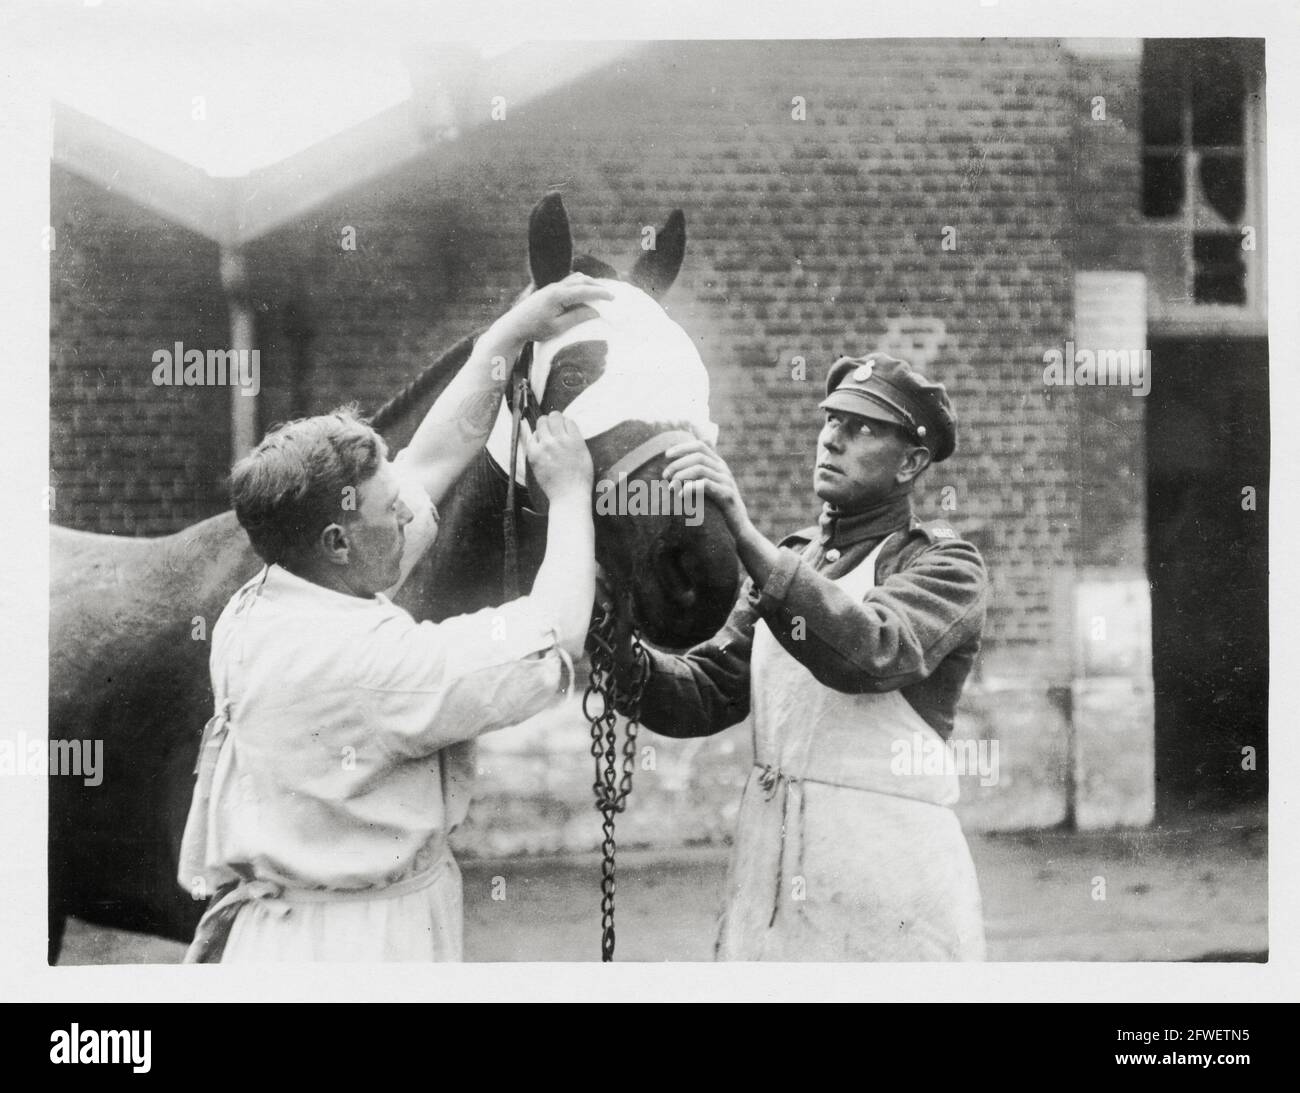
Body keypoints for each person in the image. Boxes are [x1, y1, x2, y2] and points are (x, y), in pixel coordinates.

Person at [178, 273, 613, 963]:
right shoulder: (377, 663)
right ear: (338, 541)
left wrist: (509, 332)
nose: (411, 510)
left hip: (278, 934)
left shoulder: (261, 602)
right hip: (362, 943)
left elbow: (431, 461)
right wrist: (569, 494)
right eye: (393, 512)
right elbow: (552, 634)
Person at [606, 352, 989, 961]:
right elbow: (706, 692)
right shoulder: (796, 560)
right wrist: (609, 646)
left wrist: (742, 534)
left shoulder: (945, 564)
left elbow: (871, 650)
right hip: (772, 868)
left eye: (862, 427)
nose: (832, 438)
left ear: (912, 463)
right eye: (831, 420)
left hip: (887, 881)